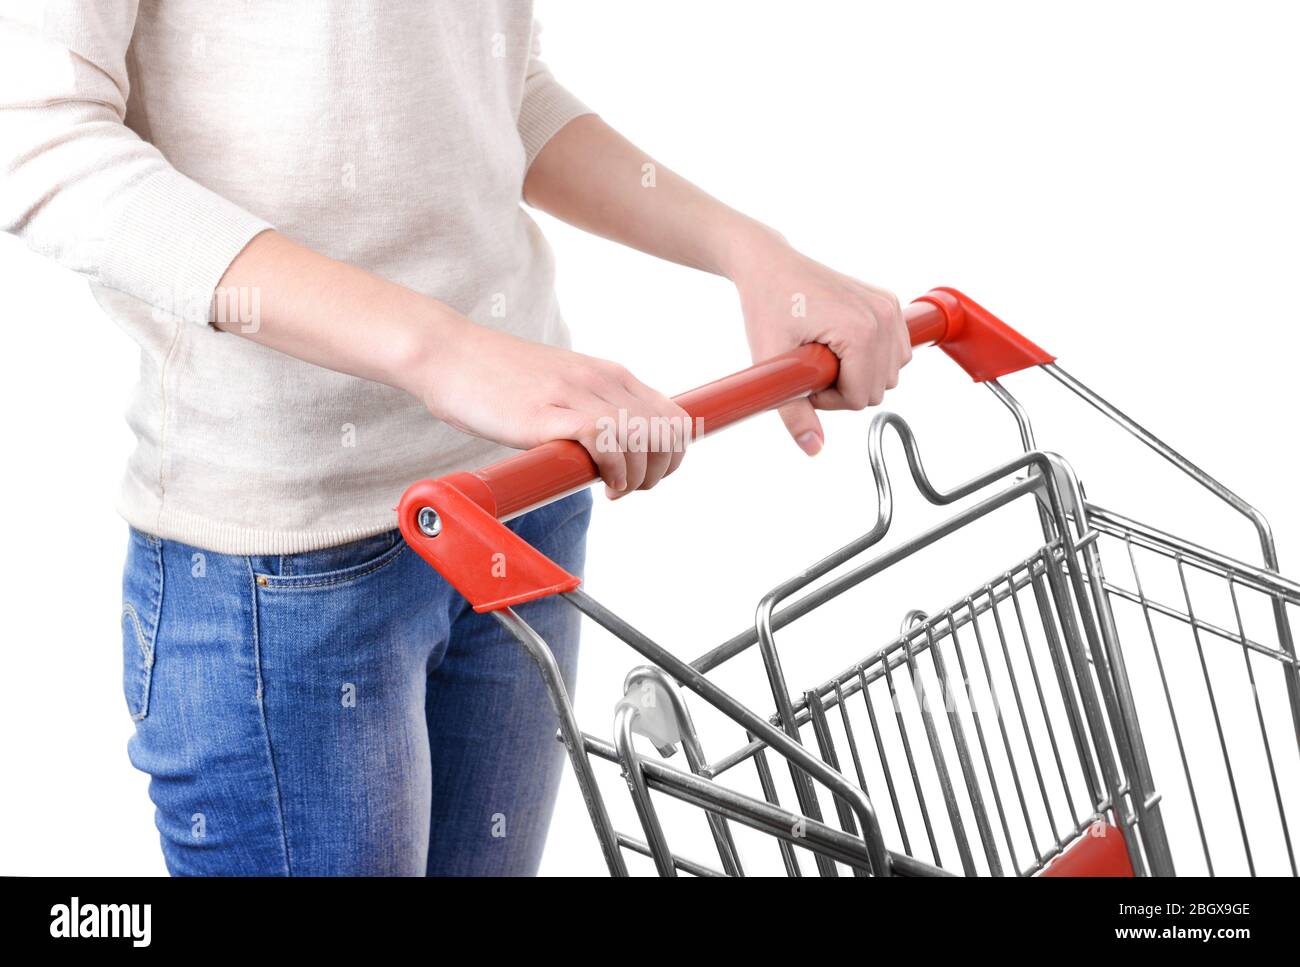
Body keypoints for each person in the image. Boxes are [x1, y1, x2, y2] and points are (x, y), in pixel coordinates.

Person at [0, 2, 910, 875]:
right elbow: (38, 136)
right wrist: (441, 352)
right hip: (285, 558)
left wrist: (748, 250)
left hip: (520, 501)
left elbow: (492, 83)